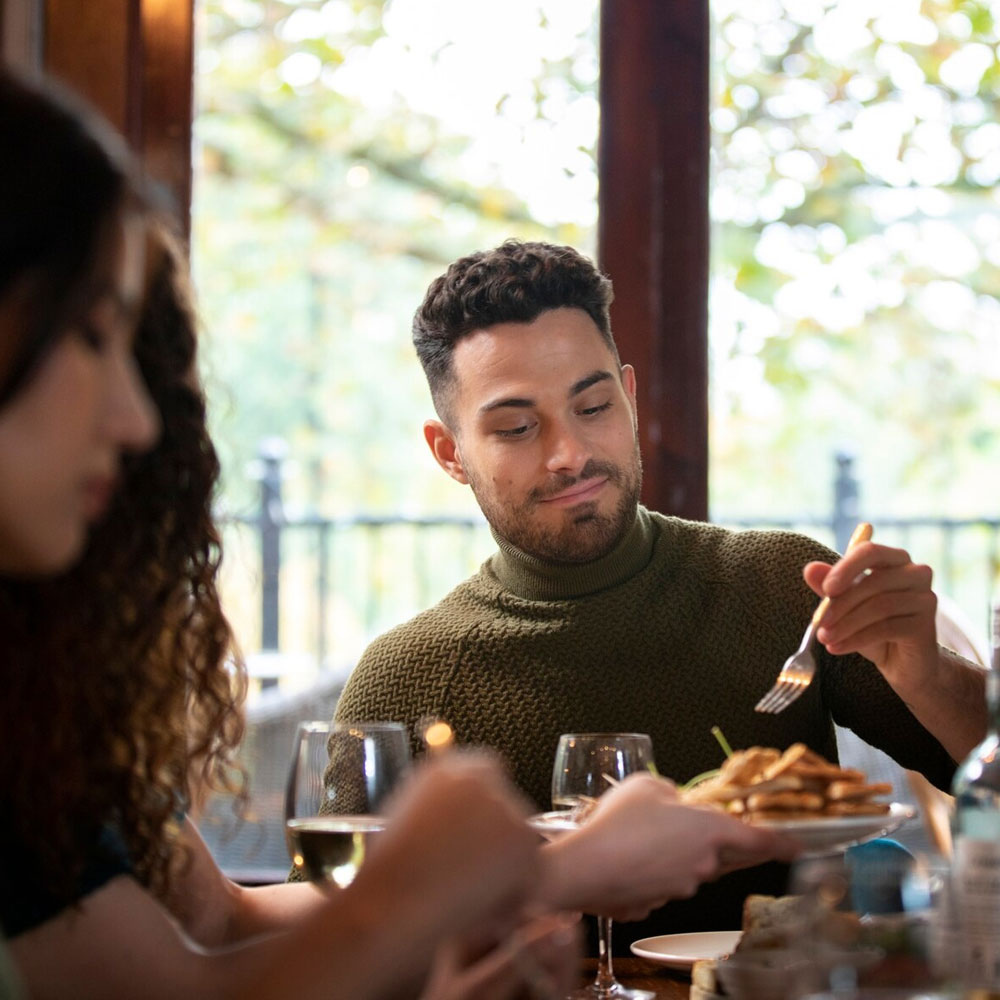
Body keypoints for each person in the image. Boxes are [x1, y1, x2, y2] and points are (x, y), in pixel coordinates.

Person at [0, 71, 795, 998]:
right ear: (447, 451)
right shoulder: (407, 669)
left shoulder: (30, 700)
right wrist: (541, 875)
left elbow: (220, 921)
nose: (137, 423)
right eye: (92, 337)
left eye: (592, 403)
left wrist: (484, 904)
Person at [332, 238, 988, 948]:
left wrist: (928, 675)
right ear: (450, 452)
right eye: (517, 427)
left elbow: (986, 776)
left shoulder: (781, 588)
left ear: (630, 396)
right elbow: (338, 944)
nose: (571, 454)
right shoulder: (401, 683)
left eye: (593, 406)